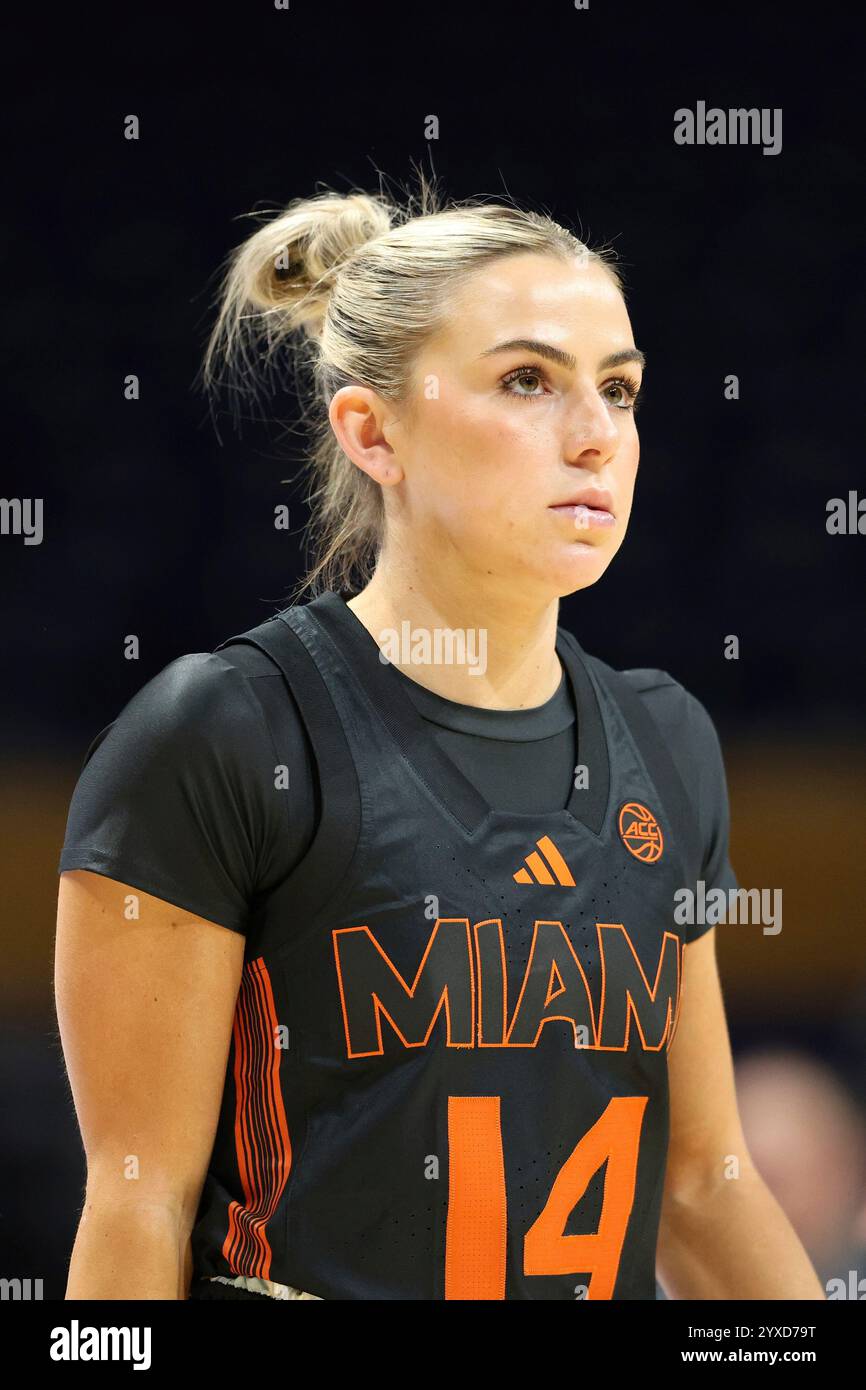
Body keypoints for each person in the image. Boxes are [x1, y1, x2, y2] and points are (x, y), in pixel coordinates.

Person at [55, 180, 824, 1300]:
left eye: (618, 389)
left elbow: (703, 1188)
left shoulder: (665, 738)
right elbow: (136, 1202)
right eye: (528, 381)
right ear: (373, 432)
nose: (595, 435)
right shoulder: (221, 730)